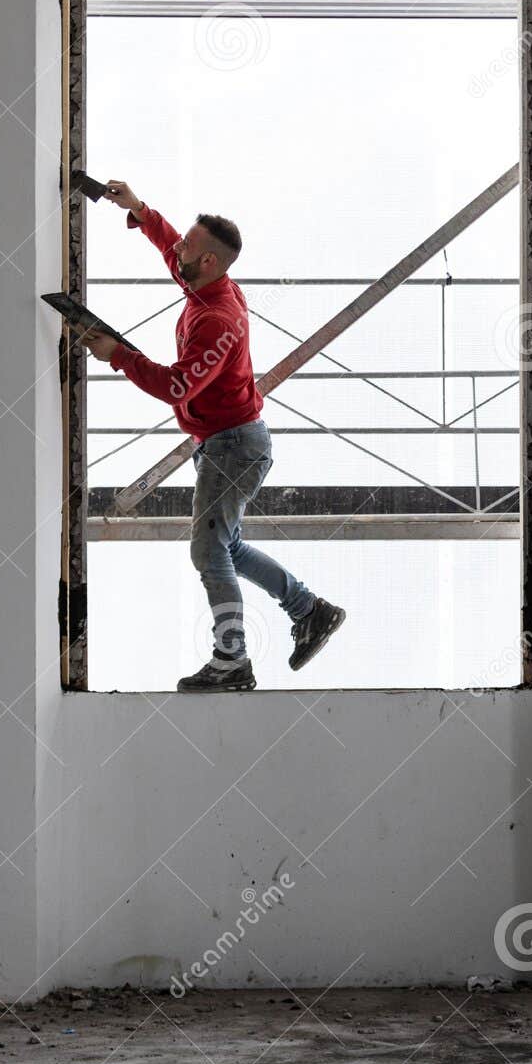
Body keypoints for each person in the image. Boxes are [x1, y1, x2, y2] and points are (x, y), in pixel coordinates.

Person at [82, 180, 346, 692]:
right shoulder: (206, 284)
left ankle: (232, 661)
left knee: (208, 553)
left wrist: (118, 355)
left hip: (235, 445)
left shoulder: (217, 318)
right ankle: (311, 610)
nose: (177, 247)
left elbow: (177, 385)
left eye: (187, 246)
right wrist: (139, 210)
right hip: (225, 443)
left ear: (207, 263)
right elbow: (171, 251)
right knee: (227, 547)